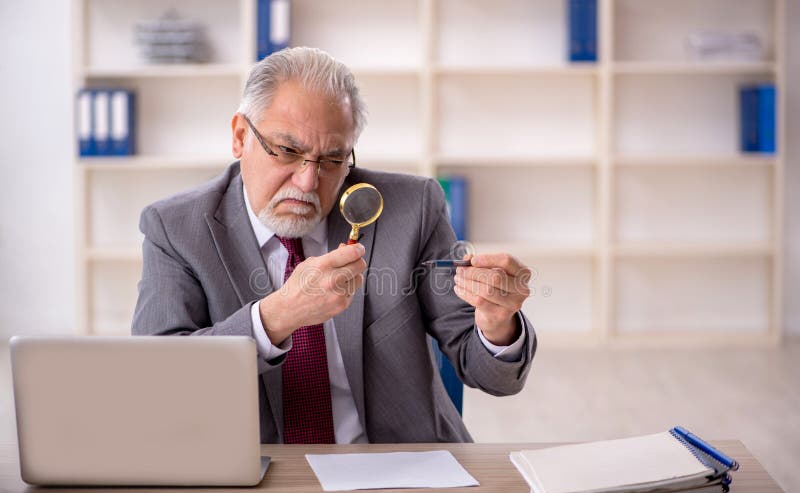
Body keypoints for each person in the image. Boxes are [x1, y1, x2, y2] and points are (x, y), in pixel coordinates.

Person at [132, 46, 537, 444]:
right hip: (254, 468)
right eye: (287, 151)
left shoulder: (411, 209)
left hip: (400, 465)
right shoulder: (176, 229)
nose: (308, 181)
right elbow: (156, 382)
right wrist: (275, 317)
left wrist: (497, 324)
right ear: (240, 137)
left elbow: (493, 376)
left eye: (331, 159)